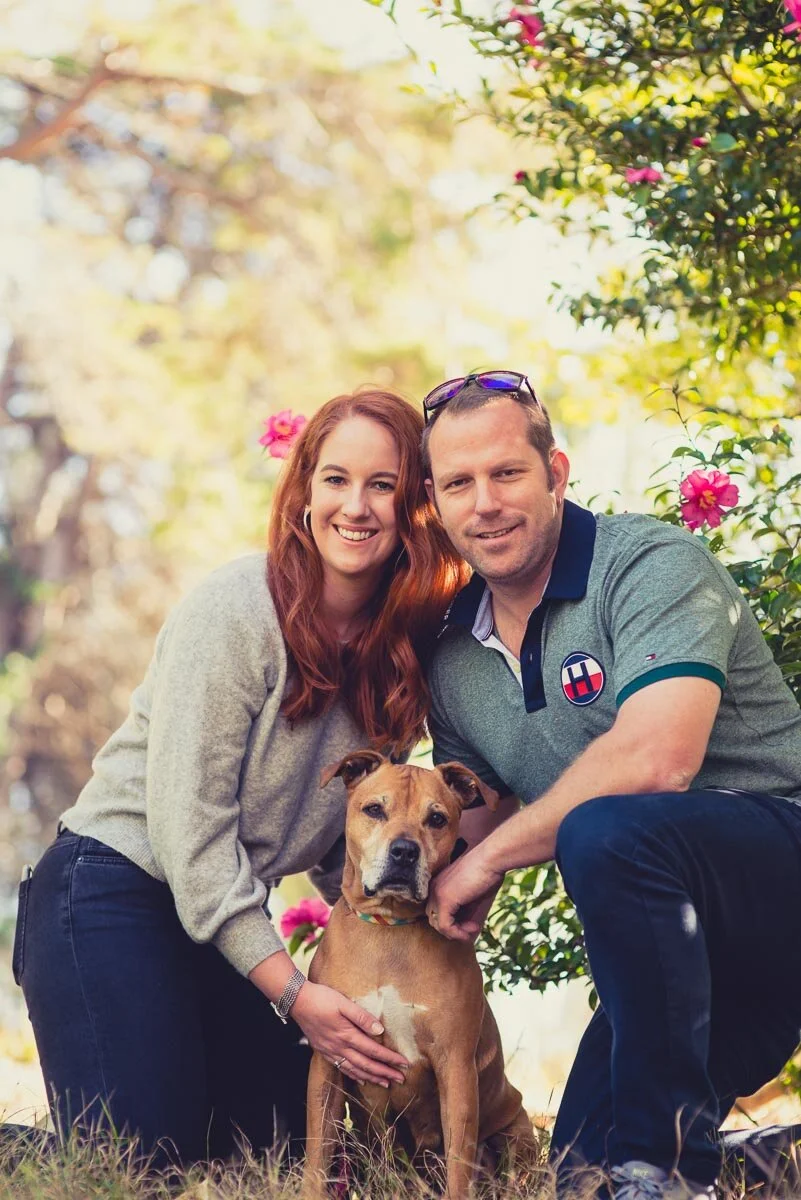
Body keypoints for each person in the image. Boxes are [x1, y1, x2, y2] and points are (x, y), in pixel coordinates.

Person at [13, 388, 467, 1170]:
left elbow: (347, 838)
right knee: (141, 1163)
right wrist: (296, 995)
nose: (354, 506)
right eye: (334, 479)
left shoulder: (398, 656)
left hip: (215, 922)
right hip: (111, 890)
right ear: (303, 493)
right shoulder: (237, 607)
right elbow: (188, 835)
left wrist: (408, 922)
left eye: (382, 484)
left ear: (413, 507)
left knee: (286, 1155)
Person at [419, 371, 801, 1198]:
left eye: (506, 473)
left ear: (555, 472)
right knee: (584, 1170)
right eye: (459, 483)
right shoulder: (451, 664)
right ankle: (766, 1161)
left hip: (781, 871)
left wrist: (482, 868)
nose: (484, 502)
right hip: (692, 960)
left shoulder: (648, 562)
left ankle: (664, 1176)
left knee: (606, 826)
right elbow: (472, 840)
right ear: (436, 502)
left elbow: (655, 761)